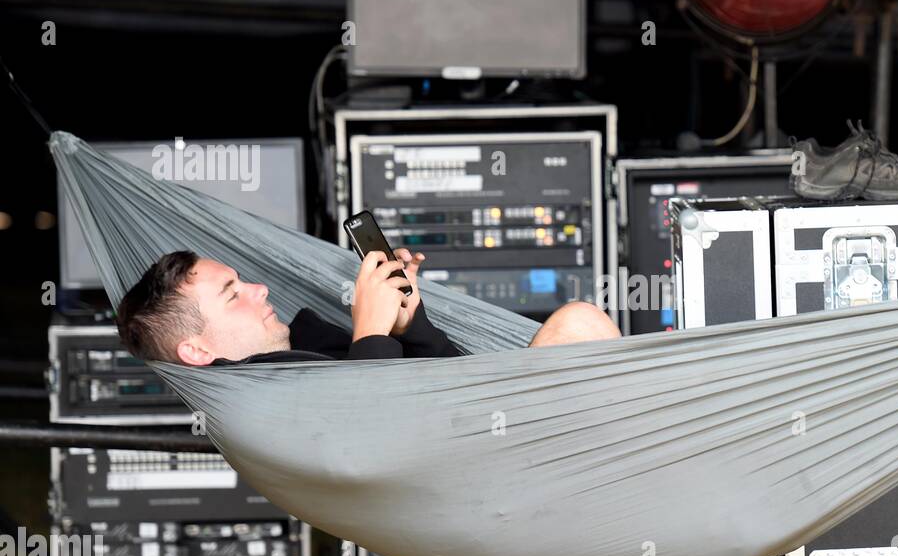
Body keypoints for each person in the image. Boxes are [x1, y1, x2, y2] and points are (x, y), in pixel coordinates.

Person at [115, 248, 621, 366]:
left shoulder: (308, 345)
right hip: (499, 475)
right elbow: (375, 440)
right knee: (578, 323)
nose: (261, 289)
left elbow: (449, 386)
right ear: (196, 350)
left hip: (497, 429)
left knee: (582, 323)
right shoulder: (259, 406)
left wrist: (407, 323)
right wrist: (371, 329)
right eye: (233, 293)